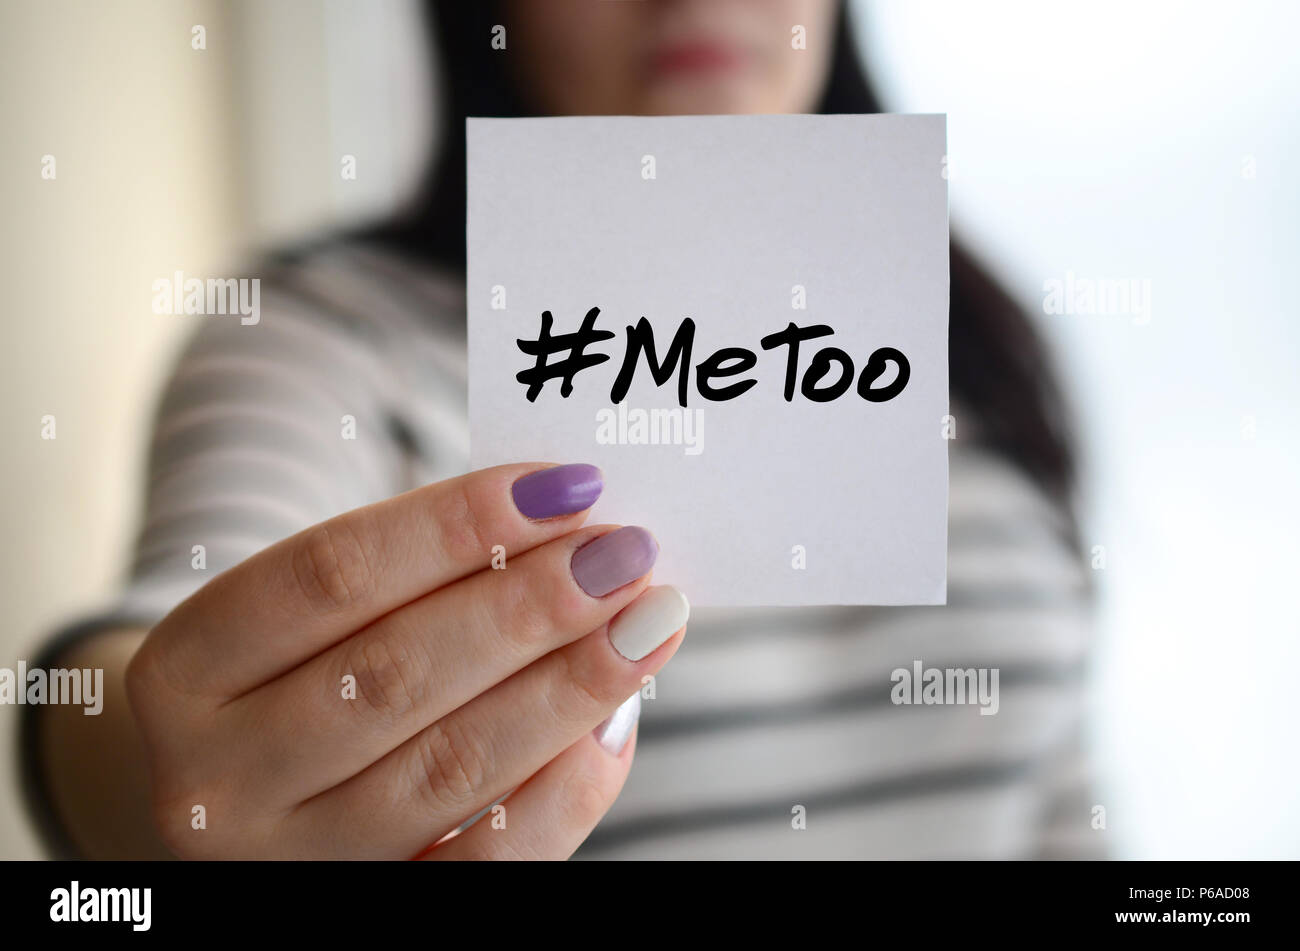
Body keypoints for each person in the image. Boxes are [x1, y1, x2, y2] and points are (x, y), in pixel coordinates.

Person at [21, 0, 1100, 860]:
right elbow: (158, 660)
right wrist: (147, 765)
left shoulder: (958, 328)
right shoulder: (332, 337)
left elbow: (1067, 804)